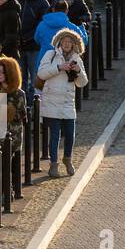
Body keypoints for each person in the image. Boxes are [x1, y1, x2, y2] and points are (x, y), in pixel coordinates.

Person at [37, 28, 87, 179]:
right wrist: (59, 67)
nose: (67, 44)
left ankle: (68, 158)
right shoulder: (50, 55)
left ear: (73, 45)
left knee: (70, 135)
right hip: (52, 101)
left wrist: (78, 71)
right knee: (55, 135)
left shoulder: (77, 59)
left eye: (69, 42)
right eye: (64, 41)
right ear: (59, 42)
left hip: (67, 103)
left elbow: (82, 83)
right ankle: (53, 164)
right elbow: (41, 73)